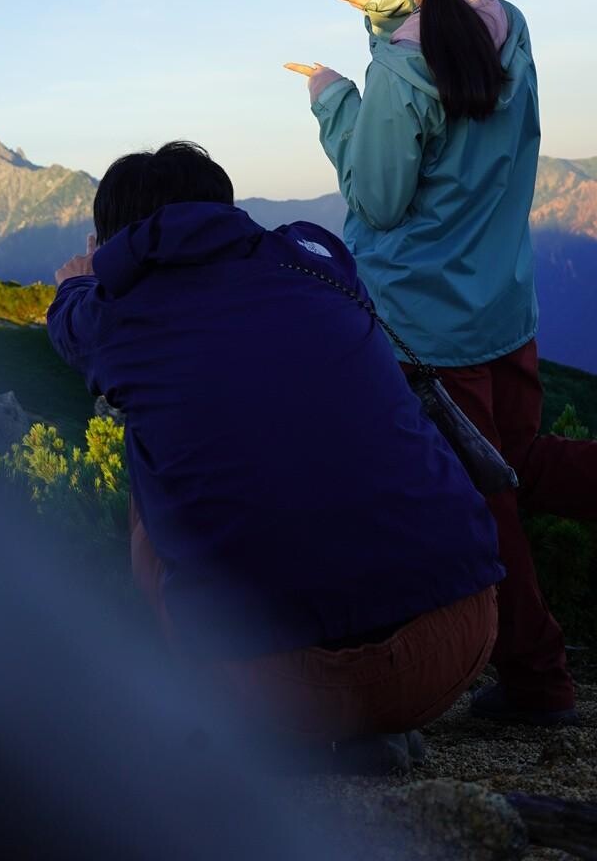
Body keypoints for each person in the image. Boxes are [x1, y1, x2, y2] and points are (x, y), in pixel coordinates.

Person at [286, 0, 597, 725]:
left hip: (423, 333)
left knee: (485, 507)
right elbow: (446, 63)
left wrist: (332, 98)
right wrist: (389, 16)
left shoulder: (402, 71)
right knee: (519, 465)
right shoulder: (510, 26)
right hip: (505, 313)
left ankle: (538, 683)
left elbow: (376, 195)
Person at [47, 140, 504, 764]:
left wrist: (83, 280)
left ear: (115, 240)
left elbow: (69, 326)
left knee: (146, 447)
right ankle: (363, 726)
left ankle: (285, 734)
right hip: (457, 635)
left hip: (278, 684)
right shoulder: (313, 259)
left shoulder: (120, 318)